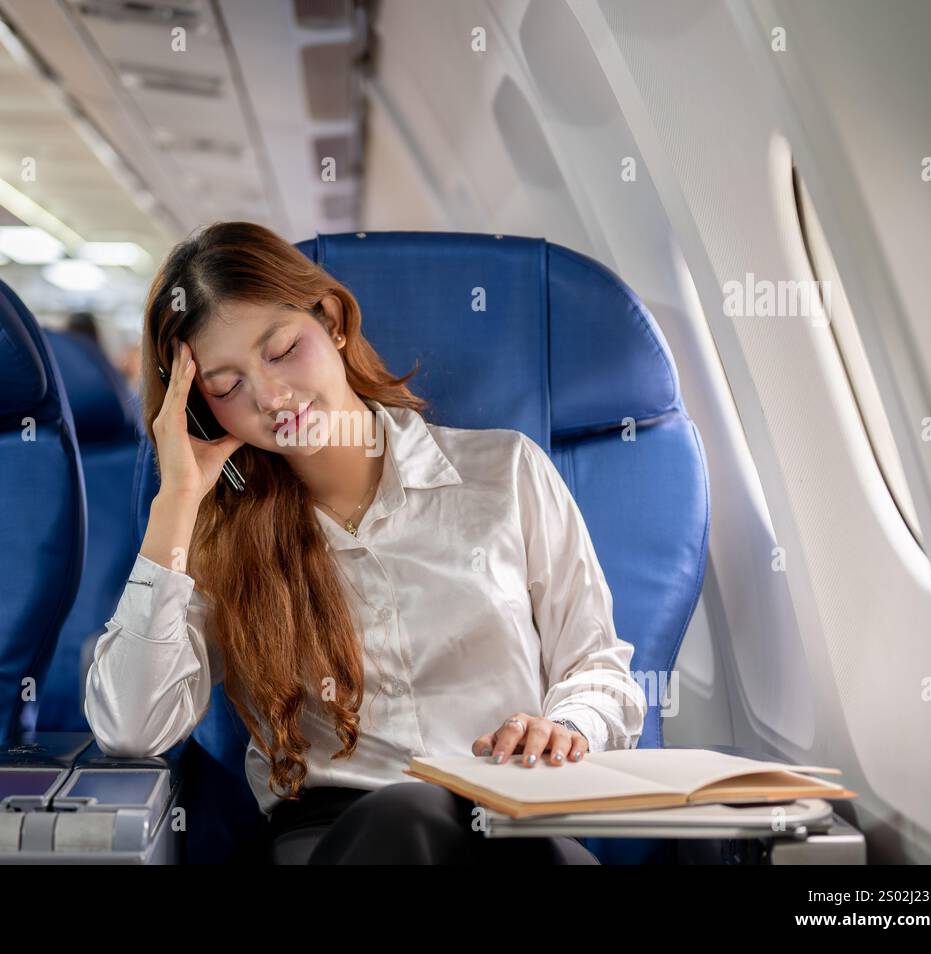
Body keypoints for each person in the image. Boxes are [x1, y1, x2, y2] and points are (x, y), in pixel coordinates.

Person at [84, 221, 648, 864]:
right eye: (226, 386)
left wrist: (565, 731)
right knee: (404, 818)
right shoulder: (219, 543)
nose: (271, 397)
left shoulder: (506, 472)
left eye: (281, 349)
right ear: (200, 410)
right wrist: (178, 502)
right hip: (336, 836)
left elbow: (598, 668)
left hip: (511, 818)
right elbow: (131, 727)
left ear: (330, 320)